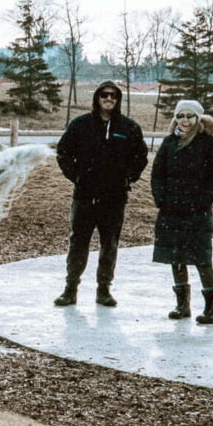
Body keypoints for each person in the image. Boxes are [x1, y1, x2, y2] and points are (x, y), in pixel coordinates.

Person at [52, 80, 148, 307]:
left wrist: (128, 177)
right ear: (97, 97)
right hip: (84, 196)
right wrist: (77, 176)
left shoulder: (129, 128)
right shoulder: (80, 125)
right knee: (78, 243)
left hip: (114, 198)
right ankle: (70, 289)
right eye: (104, 95)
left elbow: (141, 156)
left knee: (109, 244)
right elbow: (63, 152)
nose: (109, 99)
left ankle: (104, 290)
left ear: (118, 100)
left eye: (113, 96)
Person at [152, 99, 213, 324]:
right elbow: (157, 174)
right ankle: (182, 306)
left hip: (196, 212)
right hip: (171, 210)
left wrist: (201, 202)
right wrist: (162, 200)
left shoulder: (208, 143)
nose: (185, 121)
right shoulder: (169, 143)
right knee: (176, 257)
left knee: (202, 259)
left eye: (190, 116)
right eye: (181, 116)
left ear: (198, 118)